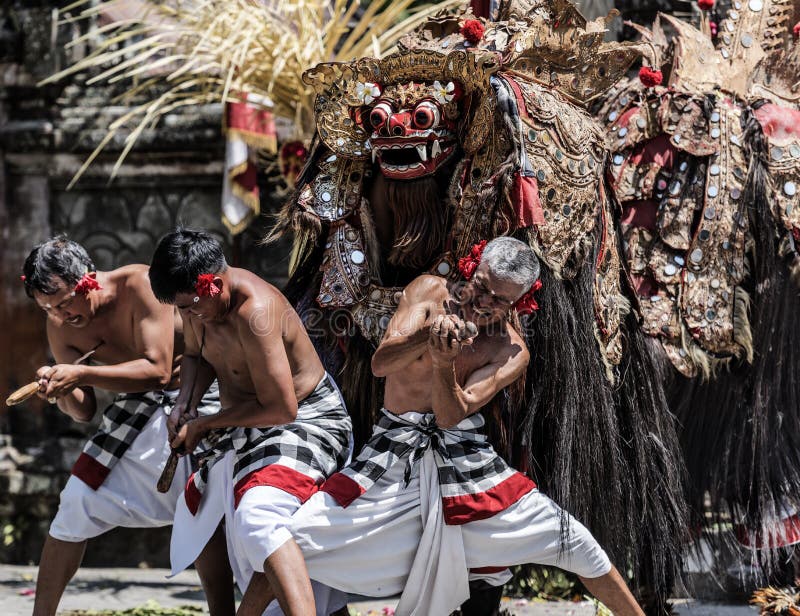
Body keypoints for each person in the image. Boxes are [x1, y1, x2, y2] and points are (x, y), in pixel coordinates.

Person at [239, 236, 646, 616]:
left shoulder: (510, 350)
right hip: (390, 454)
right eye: (480, 286)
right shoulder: (429, 290)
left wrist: (443, 363)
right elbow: (382, 363)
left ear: (518, 305)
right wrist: (427, 337)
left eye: (498, 300)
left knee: (576, 543)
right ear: (471, 267)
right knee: (294, 537)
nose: (483, 301)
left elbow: (454, 414)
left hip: (466, 462)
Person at [22, 236, 231, 616]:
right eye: (49, 309)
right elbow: (83, 411)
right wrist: (59, 391)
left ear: (88, 279)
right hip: (135, 410)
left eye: (66, 302)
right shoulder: (60, 327)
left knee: (199, 502)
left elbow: (158, 370)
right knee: (76, 500)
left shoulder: (139, 284)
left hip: (199, 393)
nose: (61, 316)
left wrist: (82, 371)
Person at [148, 228, 352, 616]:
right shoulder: (197, 307)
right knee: (200, 511)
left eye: (188, 308)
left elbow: (281, 409)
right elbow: (195, 355)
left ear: (215, 284)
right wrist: (185, 405)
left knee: (258, 514)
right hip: (246, 426)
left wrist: (206, 424)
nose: (186, 317)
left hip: (307, 422)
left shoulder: (255, 312)